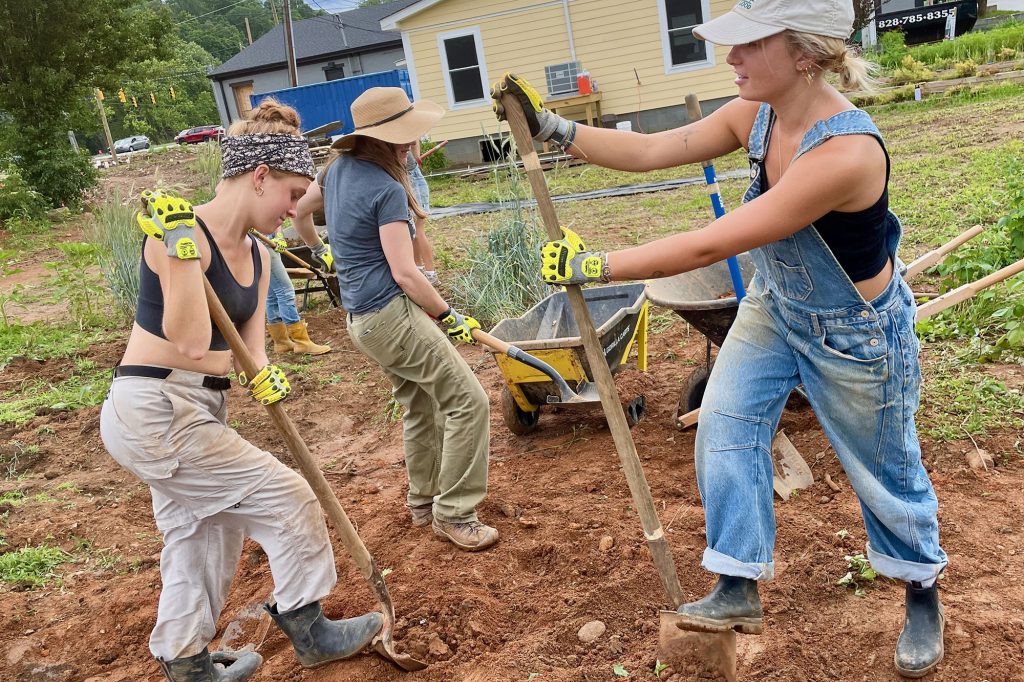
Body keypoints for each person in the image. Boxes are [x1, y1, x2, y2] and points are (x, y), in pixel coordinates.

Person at [492, 0, 946, 676]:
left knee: (885, 471)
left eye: (747, 45)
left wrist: (600, 266)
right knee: (725, 426)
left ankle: (921, 590)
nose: (729, 58)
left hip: (854, 333)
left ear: (804, 54)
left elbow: (714, 241)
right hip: (775, 307)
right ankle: (737, 584)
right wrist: (555, 127)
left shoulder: (847, 152)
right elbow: (654, 149)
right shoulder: (755, 113)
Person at [99, 99, 382, 682]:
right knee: (290, 497)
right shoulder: (181, 233)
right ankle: (309, 627)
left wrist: (261, 372)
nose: (295, 208)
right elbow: (189, 339)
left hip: (199, 408)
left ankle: (186, 660)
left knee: (203, 532)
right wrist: (180, 255)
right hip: (154, 409)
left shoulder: (255, 251)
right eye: (291, 194)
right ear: (259, 177)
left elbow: (248, 351)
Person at [296, 86, 498, 552]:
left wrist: (321, 252)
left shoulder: (335, 170)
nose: (413, 144)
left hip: (361, 320)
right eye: (407, 137)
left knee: (419, 404)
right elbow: (406, 272)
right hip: (391, 315)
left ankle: (423, 501)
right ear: (392, 140)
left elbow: (300, 213)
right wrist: (448, 316)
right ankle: (456, 513)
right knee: (470, 402)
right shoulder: (386, 189)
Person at [263, 221, 332, 355]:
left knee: (272, 294)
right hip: (263, 244)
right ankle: (302, 342)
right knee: (285, 291)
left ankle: (281, 342)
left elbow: (276, 214)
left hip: (270, 240)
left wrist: (279, 236)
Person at [406, 139, 438, 284]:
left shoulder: (398, 125)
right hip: (404, 176)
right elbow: (414, 139)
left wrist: (416, 156)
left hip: (411, 176)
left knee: (417, 231)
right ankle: (422, 271)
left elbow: (413, 139)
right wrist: (416, 156)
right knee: (414, 232)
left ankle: (427, 273)